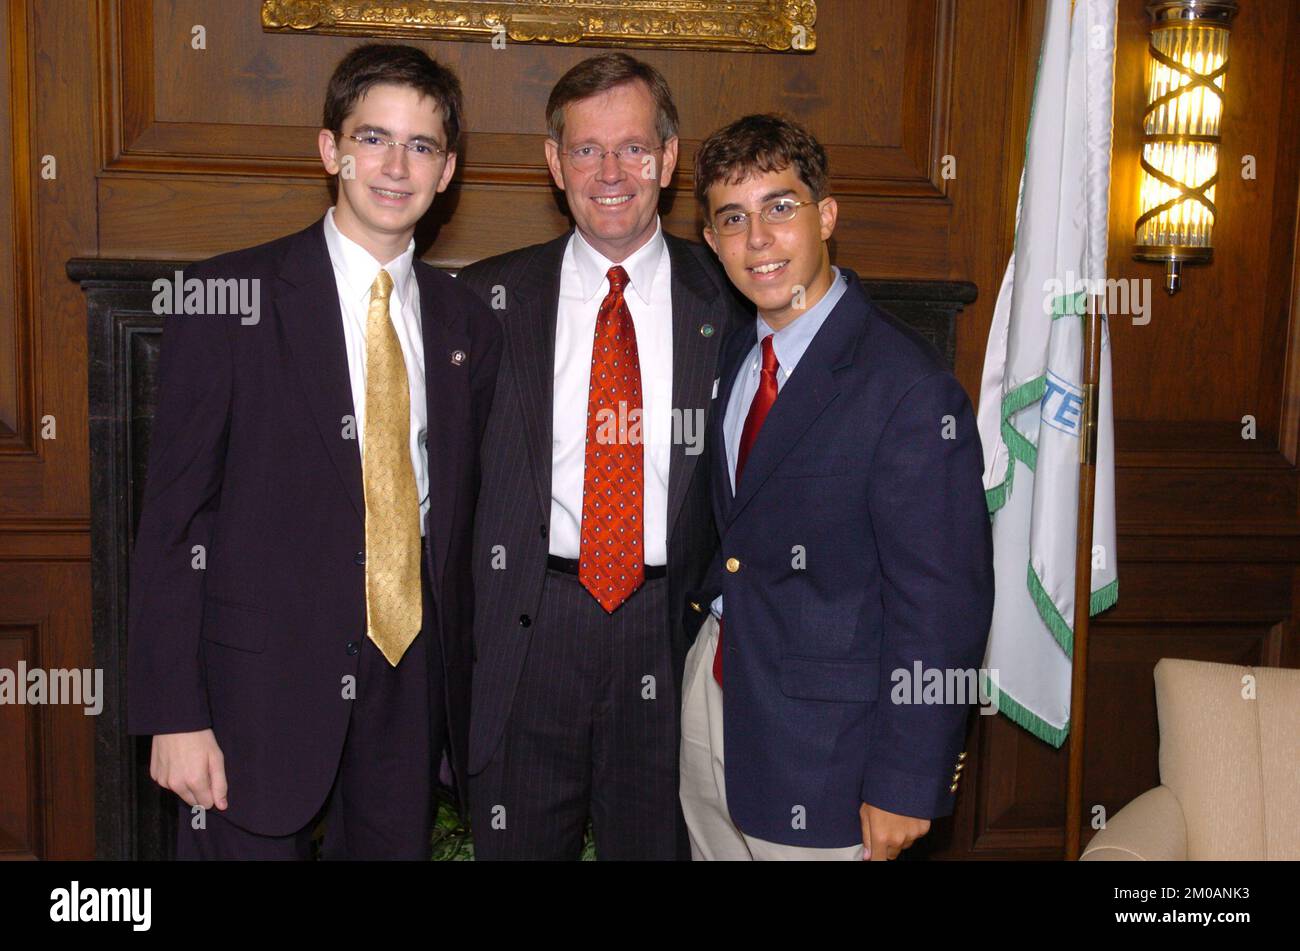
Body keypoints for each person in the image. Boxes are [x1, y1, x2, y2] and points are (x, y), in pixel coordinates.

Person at [126, 43, 502, 859]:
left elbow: (460, 519)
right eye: (373, 138)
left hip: (408, 691)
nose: (395, 166)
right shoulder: (227, 301)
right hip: (252, 697)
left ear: (447, 173)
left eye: (422, 146)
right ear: (330, 149)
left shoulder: (467, 325)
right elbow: (171, 522)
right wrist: (174, 711)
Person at [679, 113, 994, 860]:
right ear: (714, 240)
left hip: (827, 754)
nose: (757, 238)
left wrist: (909, 778)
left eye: (780, 207)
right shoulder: (731, 355)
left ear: (825, 215)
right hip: (713, 705)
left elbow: (944, 604)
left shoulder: (908, 388)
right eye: (733, 218)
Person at [456, 53, 746, 860]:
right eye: (587, 149)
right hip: (530, 629)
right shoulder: (483, 303)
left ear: (669, 156)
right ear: (555, 163)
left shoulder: (733, 301)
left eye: (632, 148)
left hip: (673, 630)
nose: (610, 171)